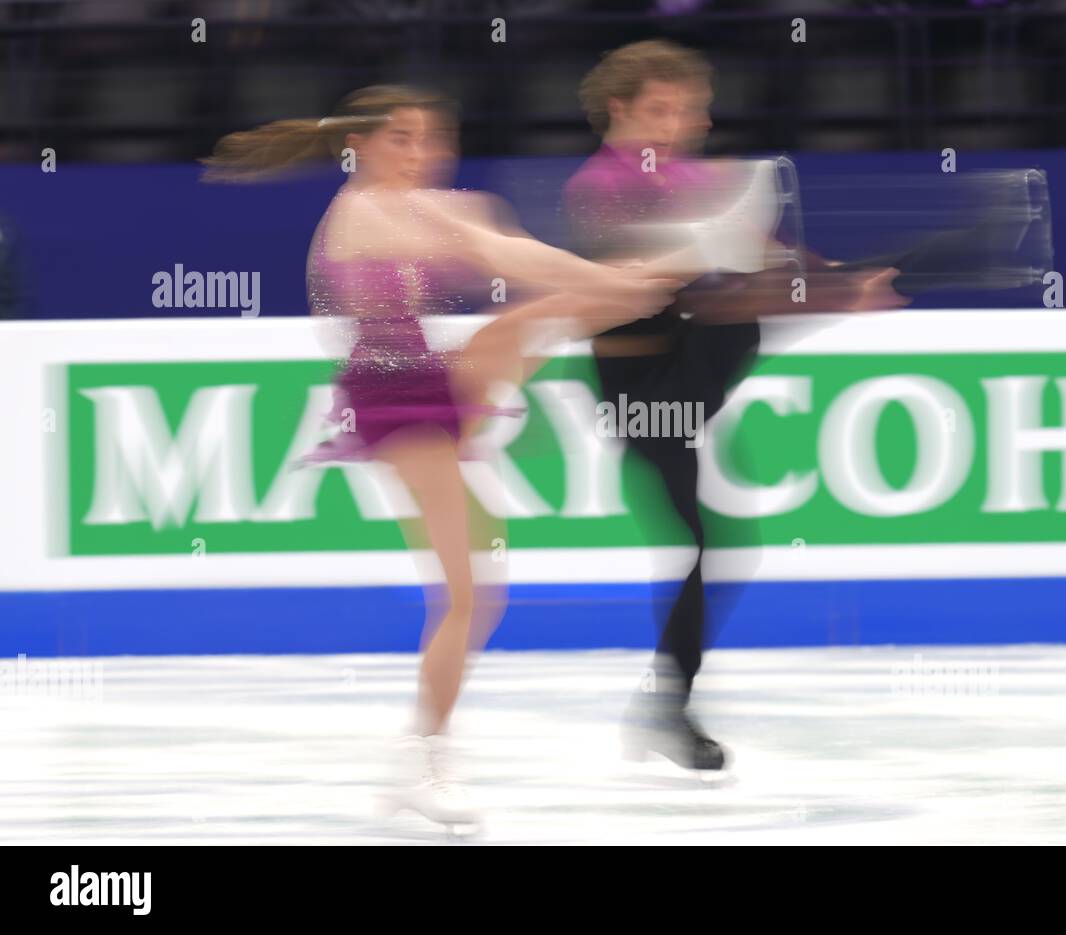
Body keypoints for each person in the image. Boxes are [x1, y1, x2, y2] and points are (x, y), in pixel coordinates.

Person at [204, 84, 681, 825]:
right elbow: (490, 247)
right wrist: (610, 282)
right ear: (357, 146)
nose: (422, 152)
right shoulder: (366, 212)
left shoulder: (418, 207)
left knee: (543, 315)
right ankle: (425, 761)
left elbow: (504, 249)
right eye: (403, 138)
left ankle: (425, 752)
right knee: (470, 595)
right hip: (393, 398)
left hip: (433, 375)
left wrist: (616, 286)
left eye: (431, 137)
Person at [565, 41, 906, 772]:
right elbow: (656, 285)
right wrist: (817, 291)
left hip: (687, 361)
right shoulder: (600, 187)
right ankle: (667, 709)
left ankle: (667, 709)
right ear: (618, 109)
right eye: (661, 108)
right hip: (641, 389)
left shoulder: (691, 178)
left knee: (715, 545)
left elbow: (764, 254)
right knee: (739, 323)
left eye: (690, 108)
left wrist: (838, 279)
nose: (680, 122)